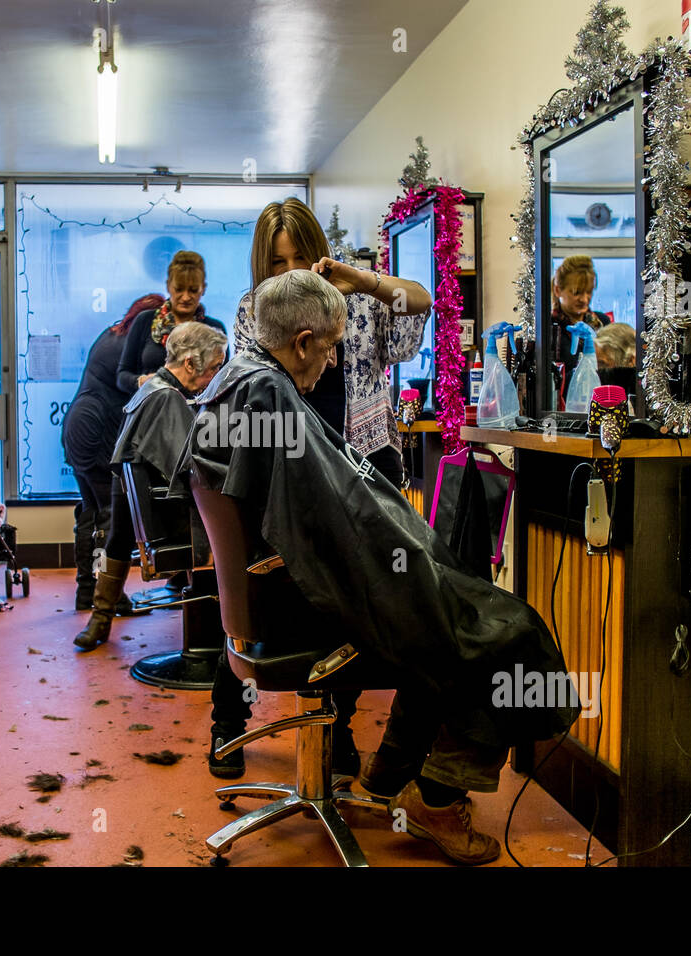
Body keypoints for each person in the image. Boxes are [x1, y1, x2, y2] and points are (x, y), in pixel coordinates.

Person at [174, 270, 576, 865]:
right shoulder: (270, 393)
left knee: (442, 609)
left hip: (270, 602)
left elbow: (321, 506)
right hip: (295, 611)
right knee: (506, 630)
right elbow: (328, 516)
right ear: (304, 342)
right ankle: (435, 797)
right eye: (331, 345)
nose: (334, 359)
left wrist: (407, 557)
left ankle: (389, 779)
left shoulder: (234, 382)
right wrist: (411, 559)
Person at [233, 198, 432, 487]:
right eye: (278, 261)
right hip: (295, 470)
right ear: (264, 263)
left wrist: (364, 281)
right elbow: (248, 396)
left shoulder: (358, 297)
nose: (291, 270)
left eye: (300, 257)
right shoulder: (252, 312)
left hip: (369, 462)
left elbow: (421, 300)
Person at [74, 321, 227, 651]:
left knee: (117, 537)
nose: (217, 376)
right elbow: (192, 467)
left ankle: (100, 619)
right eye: (215, 367)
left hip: (138, 494)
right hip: (166, 516)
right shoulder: (168, 400)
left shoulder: (152, 388)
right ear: (189, 364)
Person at [62, 293, 163, 611]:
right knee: (107, 512)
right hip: (97, 429)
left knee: (90, 511)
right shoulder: (129, 347)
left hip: (79, 425)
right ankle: (108, 594)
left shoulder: (111, 334)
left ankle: (86, 591)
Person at [117, 250, 227, 397]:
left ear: (203, 289)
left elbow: (223, 381)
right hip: (149, 406)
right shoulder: (144, 321)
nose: (186, 297)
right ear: (168, 286)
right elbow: (122, 376)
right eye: (179, 289)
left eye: (193, 290)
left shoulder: (214, 330)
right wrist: (142, 381)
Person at [550, 255, 611, 408]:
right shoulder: (549, 328)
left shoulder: (602, 323)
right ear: (558, 290)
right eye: (577, 292)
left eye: (588, 292)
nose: (585, 299)